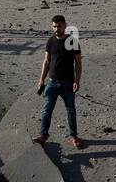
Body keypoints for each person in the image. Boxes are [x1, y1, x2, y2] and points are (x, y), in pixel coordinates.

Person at [35, 14, 83, 149]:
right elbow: (46, 61)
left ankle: (74, 136)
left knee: (71, 110)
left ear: (65, 25)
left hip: (68, 83)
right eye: (54, 26)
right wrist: (41, 80)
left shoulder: (72, 41)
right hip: (52, 83)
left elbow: (78, 63)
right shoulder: (50, 41)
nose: (56, 29)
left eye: (59, 26)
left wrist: (77, 81)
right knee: (46, 110)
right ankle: (43, 136)